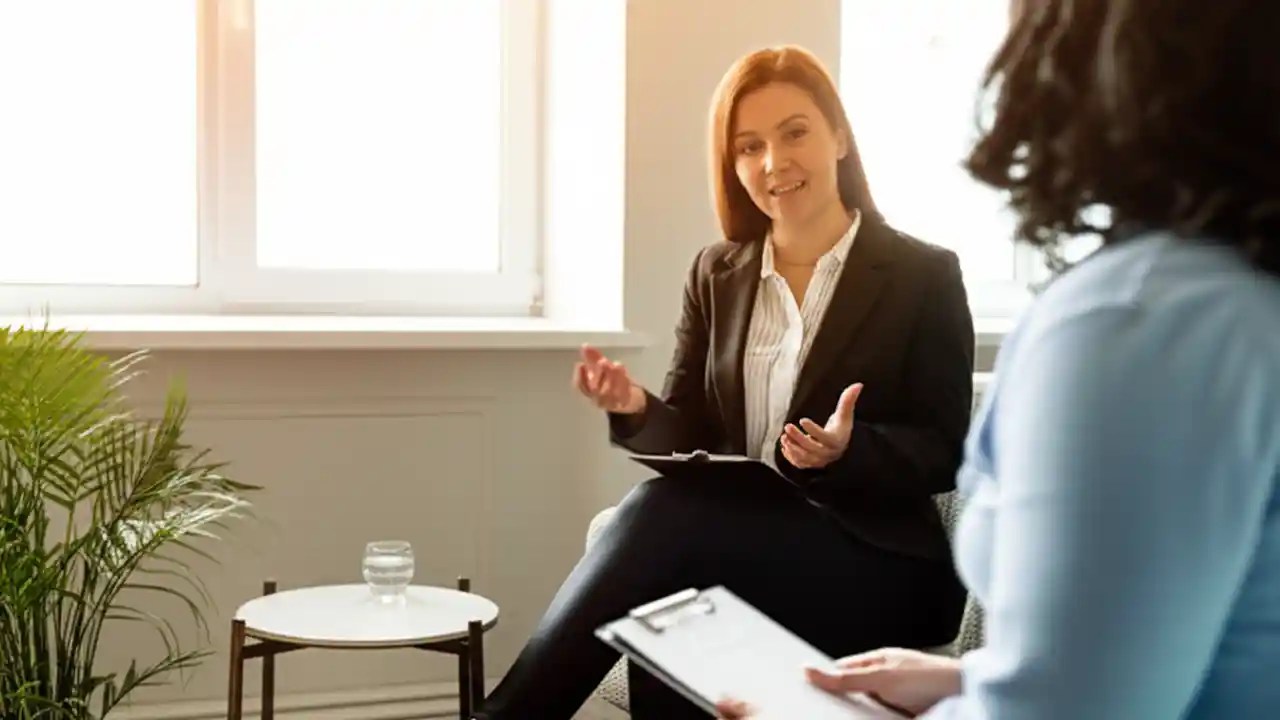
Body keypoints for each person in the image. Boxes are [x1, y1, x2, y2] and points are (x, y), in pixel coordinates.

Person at [717, 0, 1280, 718]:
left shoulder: (1135, 322)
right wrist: (966, 682)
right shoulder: (1234, 296)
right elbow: (1193, 642)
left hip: (875, 550)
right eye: (748, 145)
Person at [472, 45, 975, 720]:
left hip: (880, 565)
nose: (774, 162)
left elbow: (946, 448)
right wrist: (635, 408)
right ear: (732, 164)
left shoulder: (923, 275)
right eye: (749, 146)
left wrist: (848, 451)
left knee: (660, 518)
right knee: (676, 588)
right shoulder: (717, 274)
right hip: (739, 547)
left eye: (794, 133)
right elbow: (690, 432)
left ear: (839, 137)